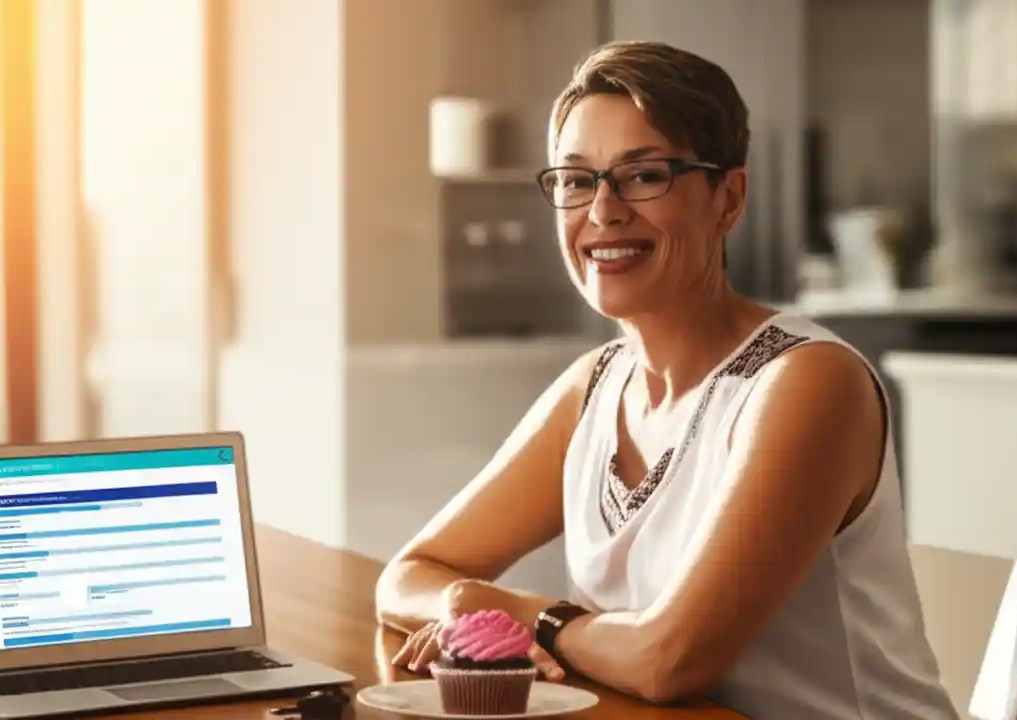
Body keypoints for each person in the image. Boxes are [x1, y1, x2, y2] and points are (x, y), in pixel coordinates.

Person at [375, 41, 959, 719]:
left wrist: (526, 614)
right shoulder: (594, 386)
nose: (602, 211)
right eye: (575, 179)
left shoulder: (807, 382)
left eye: (644, 174)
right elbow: (410, 574)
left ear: (728, 198)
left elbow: (671, 660)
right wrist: (459, 604)